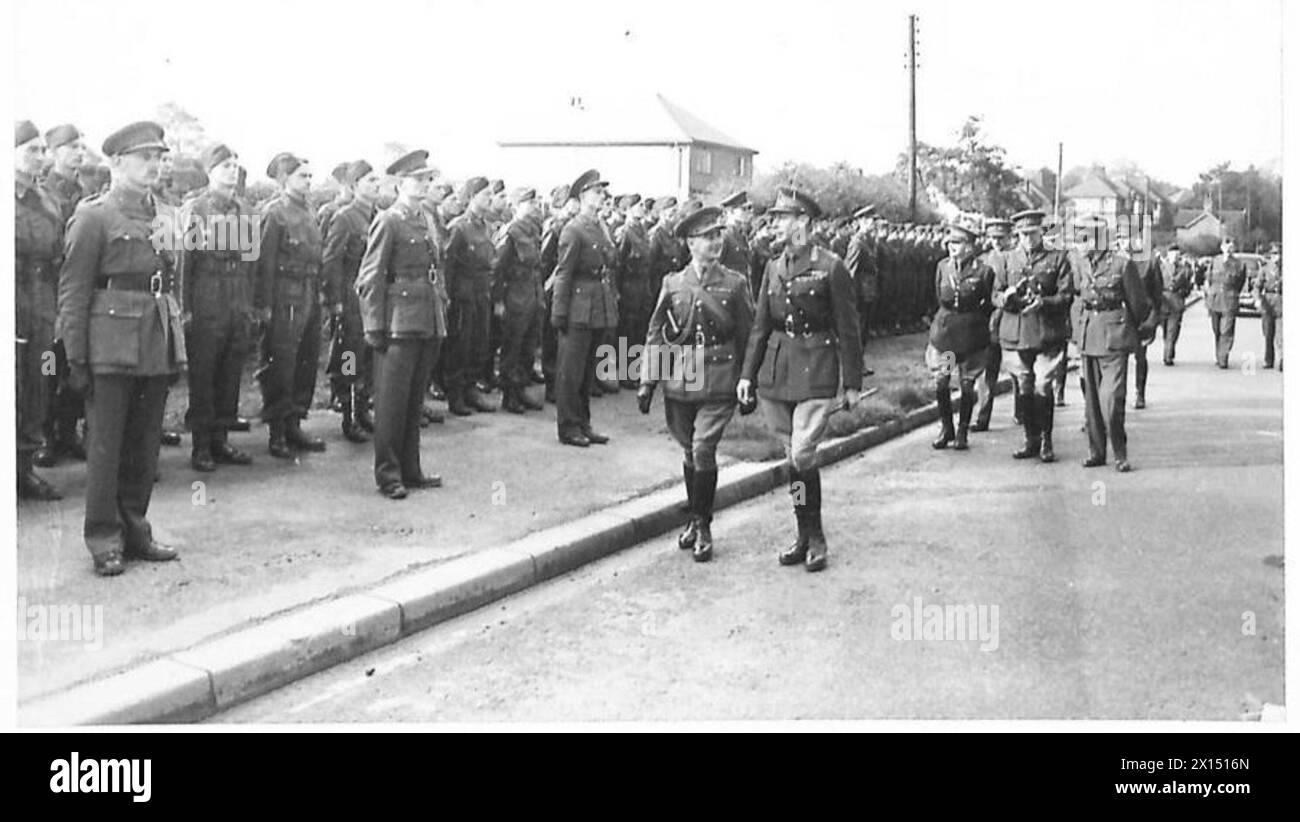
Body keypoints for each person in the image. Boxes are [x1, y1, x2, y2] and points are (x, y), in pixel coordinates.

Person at [56, 120, 187, 575]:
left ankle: (136, 530)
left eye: (158, 158)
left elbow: (173, 283)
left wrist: (176, 342)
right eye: (144, 158)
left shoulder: (168, 216)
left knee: (144, 445)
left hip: (154, 339)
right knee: (107, 446)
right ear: (115, 163)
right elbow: (73, 292)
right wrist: (75, 356)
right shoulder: (94, 216)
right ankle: (103, 538)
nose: (154, 166)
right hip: (109, 344)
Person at [737, 187, 861, 573]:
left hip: (816, 368)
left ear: (804, 223)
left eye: (783, 217)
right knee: (793, 457)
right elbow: (760, 326)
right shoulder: (773, 267)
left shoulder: (831, 266)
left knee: (803, 452)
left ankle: (817, 535)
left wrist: (852, 382)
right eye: (774, 218)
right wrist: (747, 376)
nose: (775, 223)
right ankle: (802, 533)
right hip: (777, 370)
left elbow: (848, 326)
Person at [637, 206, 753, 562]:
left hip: (718, 379)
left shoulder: (736, 283)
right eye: (708, 237)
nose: (716, 242)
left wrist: (749, 381)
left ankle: (703, 525)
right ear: (690, 243)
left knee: (703, 448)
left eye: (719, 235)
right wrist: (647, 381)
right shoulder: (672, 283)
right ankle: (693, 519)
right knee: (688, 450)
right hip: (680, 379)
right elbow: (656, 332)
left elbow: (749, 336)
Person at [355, 150, 446, 499]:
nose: (424, 185)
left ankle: (411, 468)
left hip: (426, 317)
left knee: (413, 400)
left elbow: (437, 271)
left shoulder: (427, 218)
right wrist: (373, 325)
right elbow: (370, 277)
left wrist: (441, 309)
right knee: (392, 403)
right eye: (417, 179)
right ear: (399, 183)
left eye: (427, 179)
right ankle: (388, 474)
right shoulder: (389, 220)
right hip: (398, 321)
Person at [176, 143, 256, 471]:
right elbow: (185, 263)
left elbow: (251, 261)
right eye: (225, 165)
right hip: (206, 294)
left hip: (236, 296)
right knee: (204, 373)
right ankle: (201, 446)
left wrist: (249, 306)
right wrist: (185, 309)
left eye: (235, 164)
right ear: (210, 172)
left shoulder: (245, 210)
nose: (232, 170)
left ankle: (221, 439)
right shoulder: (196, 209)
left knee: (230, 371)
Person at [255, 152, 327, 457]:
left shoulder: (309, 212)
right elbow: (264, 263)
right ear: (285, 180)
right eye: (302, 176)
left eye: (310, 176)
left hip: (309, 293)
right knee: (281, 365)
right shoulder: (275, 214)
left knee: (306, 362)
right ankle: (277, 431)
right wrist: (264, 307)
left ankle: (295, 423)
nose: (308, 181)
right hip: (285, 295)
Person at [989, 209, 1074, 463]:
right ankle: (1030, 438)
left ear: (1041, 232)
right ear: (1016, 234)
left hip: (1047, 332)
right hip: (1016, 332)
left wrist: (1044, 302)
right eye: (1023, 234)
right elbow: (995, 293)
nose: (1028, 239)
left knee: (1043, 386)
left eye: (1033, 234)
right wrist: (1004, 299)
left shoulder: (1057, 258)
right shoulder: (1006, 260)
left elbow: (1066, 295)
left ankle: (1047, 440)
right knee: (1024, 386)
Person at [1072, 216, 1149, 472]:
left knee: (1112, 399)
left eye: (1084, 238)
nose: (1079, 244)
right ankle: (1096, 452)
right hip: (1088, 334)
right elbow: (1076, 298)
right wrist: (1076, 331)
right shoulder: (1081, 264)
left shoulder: (1122, 264)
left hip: (1114, 336)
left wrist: (1136, 331)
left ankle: (1120, 452)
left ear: (1098, 240)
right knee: (1092, 401)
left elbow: (1138, 303)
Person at [550, 169, 618, 447]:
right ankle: (568, 426)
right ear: (583, 196)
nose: (602, 197)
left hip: (597, 302)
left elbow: (612, 260)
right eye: (597, 192)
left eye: (603, 192)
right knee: (571, 371)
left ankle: (583, 422)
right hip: (578, 305)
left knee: (588, 370)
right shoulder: (573, 229)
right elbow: (564, 273)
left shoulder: (599, 226)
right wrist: (559, 311)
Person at [15, 120, 64, 500]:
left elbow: (58, 256)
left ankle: (25, 467)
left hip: (43, 303)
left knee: (40, 378)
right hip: (12, 299)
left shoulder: (48, 201)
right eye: (32, 150)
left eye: (43, 150)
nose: (41, 157)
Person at [321, 160, 380, 442]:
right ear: (355, 186)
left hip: (374, 300)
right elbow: (331, 260)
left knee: (369, 357)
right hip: (351, 297)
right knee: (350, 357)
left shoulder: (380, 216)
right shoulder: (345, 217)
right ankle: (348, 414)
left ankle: (363, 409)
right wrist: (335, 301)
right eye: (369, 181)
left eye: (376, 180)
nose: (375, 185)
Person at [927, 223, 995, 451]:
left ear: (969, 246)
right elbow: (939, 295)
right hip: (947, 337)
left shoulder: (983, 271)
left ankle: (963, 430)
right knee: (942, 380)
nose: (951, 247)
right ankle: (946, 428)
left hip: (971, 337)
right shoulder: (943, 267)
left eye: (957, 243)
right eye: (950, 243)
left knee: (967, 383)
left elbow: (988, 303)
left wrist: (976, 323)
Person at [443, 176, 498, 415]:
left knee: (479, 343)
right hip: (462, 294)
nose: (490, 199)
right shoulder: (458, 227)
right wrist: (447, 298)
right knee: (460, 346)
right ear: (472, 197)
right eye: (486, 195)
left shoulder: (485, 227)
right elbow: (448, 266)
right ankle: (455, 395)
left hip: (481, 292)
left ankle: (471, 389)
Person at [491, 186, 546, 413]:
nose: (533, 206)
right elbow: (497, 270)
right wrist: (498, 301)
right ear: (517, 206)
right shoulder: (511, 232)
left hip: (532, 293)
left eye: (534, 203)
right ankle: (509, 394)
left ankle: (521, 388)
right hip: (515, 294)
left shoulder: (532, 230)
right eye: (528, 203)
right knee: (513, 346)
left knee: (528, 346)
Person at [972, 218, 1016, 431]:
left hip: (1015, 320)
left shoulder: (1018, 258)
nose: (997, 242)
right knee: (987, 373)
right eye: (993, 238)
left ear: (1010, 236)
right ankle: (982, 417)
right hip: (990, 323)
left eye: (1001, 238)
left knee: (1019, 370)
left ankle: (1021, 412)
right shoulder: (982, 260)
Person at [614, 193, 652, 386]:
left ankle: (634, 370)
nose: (641, 209)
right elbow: (618, 265)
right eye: (636, 206)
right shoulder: (624, 233)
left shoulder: (643, 231)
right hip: (628, 287)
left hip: (642, 287)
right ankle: (623, 373)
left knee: (639, 330)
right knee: (626, 331)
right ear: (628, 210)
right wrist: (617, 291)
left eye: (641, 205)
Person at [1204, 236, 1248, 369]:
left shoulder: (1239, 264)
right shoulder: (1215, 261)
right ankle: (1219, 354)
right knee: (1216, 329)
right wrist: (1208, 295)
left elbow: (1240, 282)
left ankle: (1223, 358)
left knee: (1226, 330)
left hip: (1229, 300)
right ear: (1221, 247)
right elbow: (1208, 279)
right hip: (1215, 300)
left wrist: (1233, 293)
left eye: (1231, 246)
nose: (1228, 249)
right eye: (1226, 246)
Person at [1156, 243, 1194, 366]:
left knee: (1173, 331)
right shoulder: (1161, 267)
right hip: (1163, 302)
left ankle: (1167, 355)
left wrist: (1183, 293)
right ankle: (1168, 350)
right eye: (1173, 254)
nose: (1176, 257)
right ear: (1168, 255)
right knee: (1166, 331)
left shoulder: (1185, 269)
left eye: (1178, 255)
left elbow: (1188, 286)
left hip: (1176, 303)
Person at [1255, 242, 1282, 370]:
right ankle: (1268, 359)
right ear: (1270, 255)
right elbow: (1256, 287)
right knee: (1268, 333)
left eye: (1280, 254)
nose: (1278, 257)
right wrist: (1258, 300)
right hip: (1268, 303)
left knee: (1281, 333)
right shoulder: (1265, 269)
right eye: (1275, 254)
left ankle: (1283, 359)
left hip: (1282, 302)